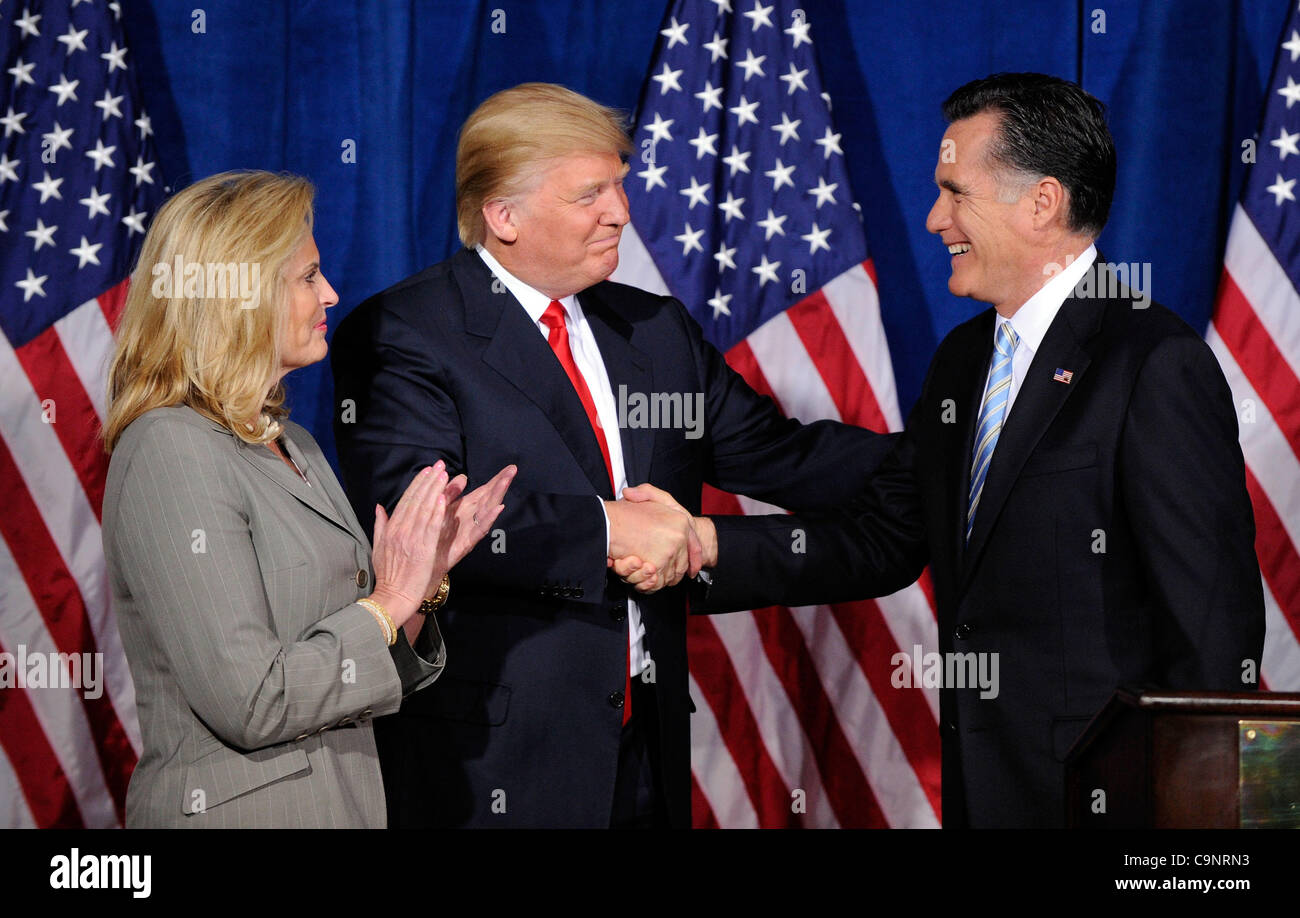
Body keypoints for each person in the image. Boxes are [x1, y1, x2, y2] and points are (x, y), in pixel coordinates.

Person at [683, 73, 1266, 828]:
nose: (933, 219)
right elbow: (887, 535)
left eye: (955, 192)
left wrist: (1193, 861)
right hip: (981, 796)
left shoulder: (1151, 362)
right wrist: (703, 544)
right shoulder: (964, 358)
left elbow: (1213, 639)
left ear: (1042, 203)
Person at [329, 83, 892, 828]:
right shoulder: (404, 332)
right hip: (492, 768)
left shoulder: (652, 329)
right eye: (590, 194)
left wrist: (957, 457)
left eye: (620, 186)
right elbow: (427, 517)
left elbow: (785, 456)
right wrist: (611, 530)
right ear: (504, 216)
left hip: (644, 755)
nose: (621, 212)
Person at [101, 170, 515, 827]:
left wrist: (424, 583)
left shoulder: (294, 443)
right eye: (307, 277)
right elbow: (253, 701)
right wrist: (390, 599)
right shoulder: (170, 450)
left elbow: (357, 675)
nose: (330, 292)